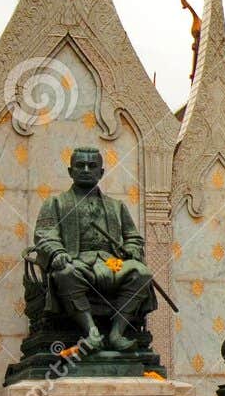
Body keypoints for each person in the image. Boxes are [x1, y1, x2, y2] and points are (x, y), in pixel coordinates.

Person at [33, 146, 154, 352]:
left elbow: (133, 238)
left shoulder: (116, 206)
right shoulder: (56, 203)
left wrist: (132, 250)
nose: (86, 170)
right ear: (71, 171)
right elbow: (44, 235)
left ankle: (116, 333)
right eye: (80, 165)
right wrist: (57, 253)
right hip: (77, 261)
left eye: (92, 166)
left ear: (101, 172)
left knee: (142, 273)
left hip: (111, 262)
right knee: (65, 273)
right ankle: (92, 332)